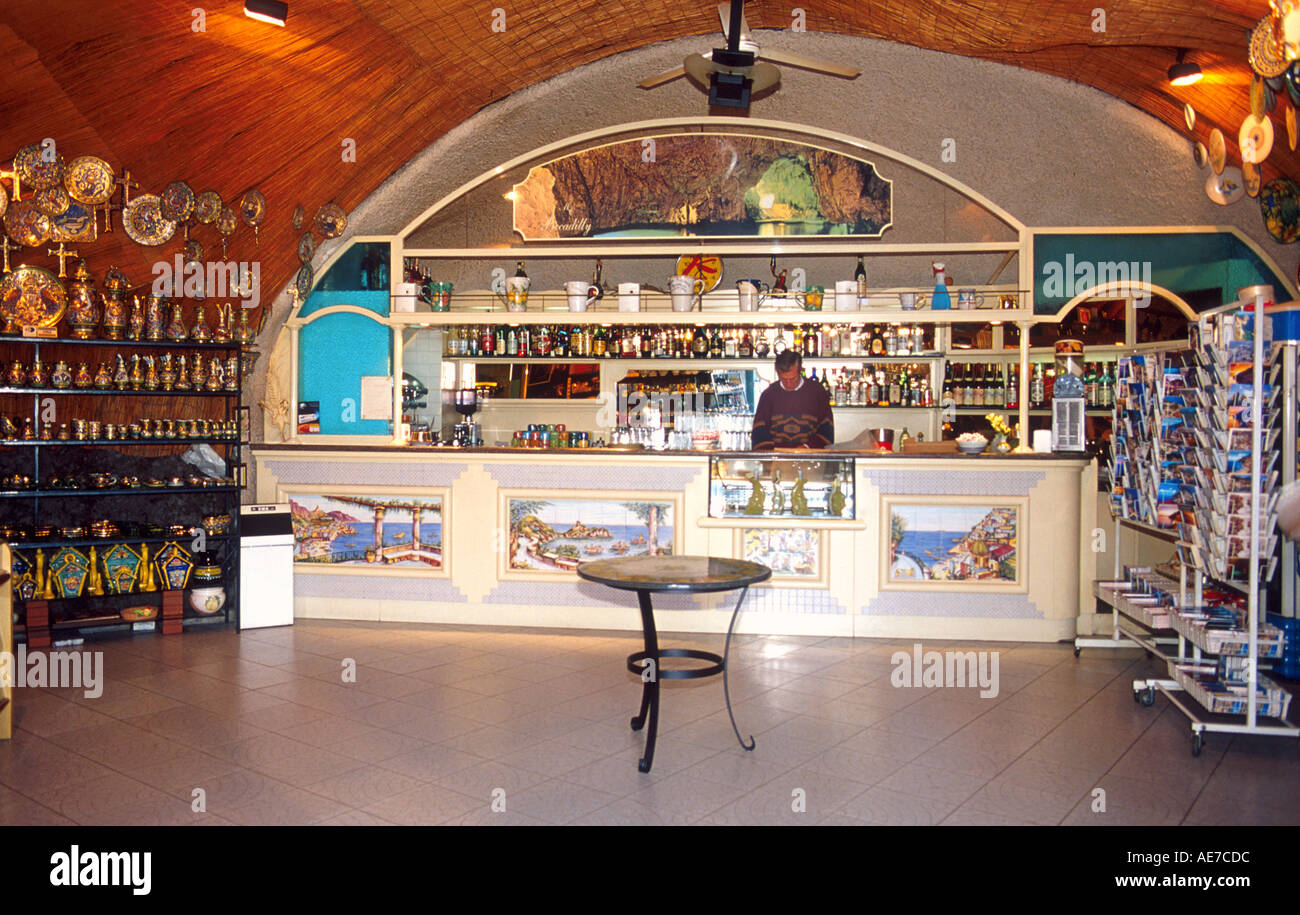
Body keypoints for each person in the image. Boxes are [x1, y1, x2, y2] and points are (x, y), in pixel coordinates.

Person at [751, 350, 834, 449]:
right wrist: (772, 456)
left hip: (810, 458)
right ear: (778, 374)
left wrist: (807, 446)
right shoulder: (768, 395)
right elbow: (759, 432)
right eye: (784, 379)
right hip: (777, 460)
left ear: (800, 371)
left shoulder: (817, 392)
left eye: (793, 379)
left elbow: (827, 430)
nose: (789, 383)